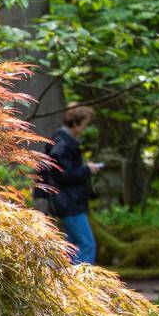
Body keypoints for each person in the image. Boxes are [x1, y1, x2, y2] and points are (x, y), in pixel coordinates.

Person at [38, 105, 104, 264]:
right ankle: (80, 278)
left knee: (71, 247)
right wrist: (87, 170)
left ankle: (65, 276)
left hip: (67, 201)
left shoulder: (64, 141)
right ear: (75, 123)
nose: (85, 129)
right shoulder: (63, 144)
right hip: (68, 202)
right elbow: (64, 174)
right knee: (87, 244)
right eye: (84, 124)